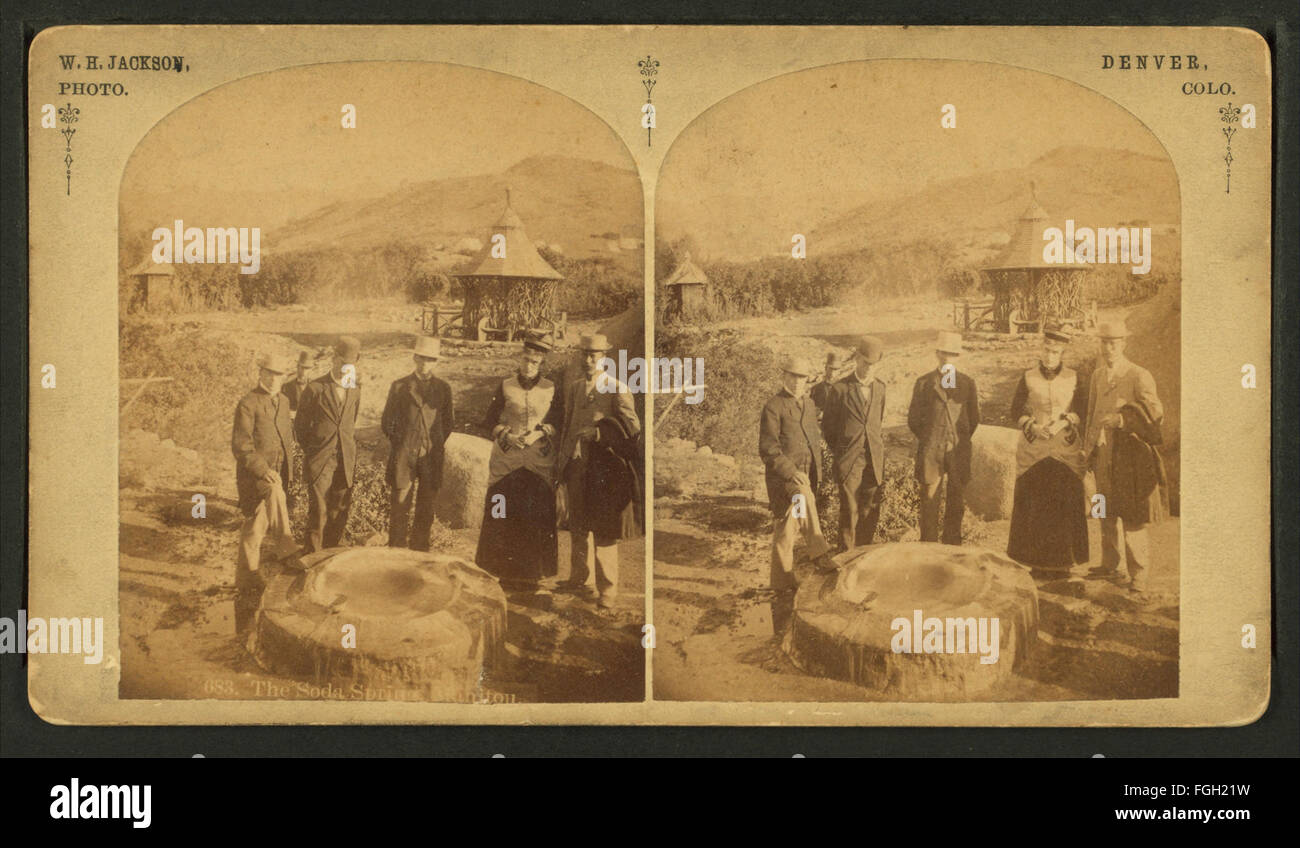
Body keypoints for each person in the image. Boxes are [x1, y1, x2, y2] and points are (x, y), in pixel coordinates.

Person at [544, 333, 641, 609]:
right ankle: (579, 580)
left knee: (603, 530)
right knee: (577, 525)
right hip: (576, 467)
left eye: (594, 355)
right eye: (584, 355)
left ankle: (607, 590)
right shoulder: (574, 388)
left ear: (604, 358)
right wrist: (561, 464)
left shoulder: (616, 388)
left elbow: (633, 428)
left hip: (604, 472)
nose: (588, 360)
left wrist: (599, 433)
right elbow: (568, 427)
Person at [1082, 319, 1168, 597]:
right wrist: (1087, 449)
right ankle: (1110, 564)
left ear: (1124, 344)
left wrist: (1122, 419)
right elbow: (1092, 415)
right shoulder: (1097, 376)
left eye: (1114, 343)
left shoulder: (1138, 375)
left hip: (1129, 459)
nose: (1108, 348)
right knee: (1104, 511)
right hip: (1102, 455)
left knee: (1133, 518)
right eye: (1104, 343)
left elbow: (1156, 414)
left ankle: (1139, 575)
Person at [475, 336, 559, 587]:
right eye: (526, 358)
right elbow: (488, 421)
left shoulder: (551, 388)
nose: (529, 364)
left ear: (541, 362)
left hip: (537, 461)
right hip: (508, 461)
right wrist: (507, 434)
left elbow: (559, 419)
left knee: (534, 514)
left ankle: (532, 574)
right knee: (502, 511)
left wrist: (540, 432)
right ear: (519, 358)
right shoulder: (504, 386)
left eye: (535, 360)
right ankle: (501, 570)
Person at [1006, 326, 1090, 572]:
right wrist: (1032, 424)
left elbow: (1083, 409)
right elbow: (1015, 410)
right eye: (1047, 349)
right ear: (1041, 349)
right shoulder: (1028, 376)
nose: (1050, 354)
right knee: (1037, 502)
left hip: (1064, 447)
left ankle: (1064, 562)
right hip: (1036, 448)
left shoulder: (1074, 377)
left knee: (1064, 501)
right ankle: (1036, 562)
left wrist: (1065, 421)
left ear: (1062, 352)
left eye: (1055, 351)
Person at [230, 352, 299, 633]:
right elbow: (241, 446)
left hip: (278, 474)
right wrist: (262, 470)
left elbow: (285, 439)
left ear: (284, 379)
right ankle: (286, 546)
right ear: (260, 374)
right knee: (273, 494)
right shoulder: (248, 403)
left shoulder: (283, 402)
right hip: (254, 476)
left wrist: (288, 469)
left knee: (255, 524)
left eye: (279, 375)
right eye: (269, 373)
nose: (273, 379)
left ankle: (247, 575)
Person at [760, 355, 834, 593]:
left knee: (786, 528)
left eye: (802, 378)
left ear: (807, 381)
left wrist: (817, 471)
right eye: (793, 376)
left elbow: (813, 440)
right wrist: (791, 472)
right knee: (801, 496)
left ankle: (782, 584)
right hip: (783, 478)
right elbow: (768, 450)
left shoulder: (809, 404)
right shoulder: (774, 406)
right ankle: (819, 552)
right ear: (784, 376)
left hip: (806, 474)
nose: (797, 382)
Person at [812, 336, 887, 551]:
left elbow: (876, 422)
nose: (867, 368)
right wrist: (844, 451)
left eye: (872, 365)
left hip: (874, 456)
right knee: (849, 508)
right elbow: (828, 427)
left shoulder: (881, 388)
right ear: (857, 360)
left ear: (878, 364)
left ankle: (863, 554)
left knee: (870, 508)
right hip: (849, 458)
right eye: (864, 362)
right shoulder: (840, 389)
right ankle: (846, 556)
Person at [381, 336, 455, 551]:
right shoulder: (399, 386)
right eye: (422, 359)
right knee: (400, 506)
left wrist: (433, 443)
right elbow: (387, 422)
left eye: (431, 360)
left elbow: (448, 423)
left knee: (426, 508)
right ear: (415, 358)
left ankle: (420, 554)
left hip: (431, 457)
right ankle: (396, 553)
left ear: (436, 362)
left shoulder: (443, 388)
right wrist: (403, 442)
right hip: (404, 456)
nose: (425, 364)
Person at [907, 331, 980, 545]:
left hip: (958, 451)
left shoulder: (967, 384)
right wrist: (931, 437)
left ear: (958, 357)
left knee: (956, 503)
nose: (948, 358)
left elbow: (974, 419)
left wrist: (957, 439)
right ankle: (928, 550)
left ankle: (952, 550)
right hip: (931, 452)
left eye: (953, 354)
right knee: (929, 502)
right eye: (945, 353)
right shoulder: (923, 383)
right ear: (937, 354)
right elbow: (914, 419)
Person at [294, 336, 362, 553]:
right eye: (343, 363)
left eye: (351, 365)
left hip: (345, 458)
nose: (346, 369)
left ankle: (331, 555)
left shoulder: (355, 388)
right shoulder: (315, 388)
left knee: (339, 509)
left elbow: (351, 421)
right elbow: (301, 427)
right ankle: (313, 557)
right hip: (320, 458)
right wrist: (315, 450)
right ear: (334, 359)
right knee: (319, 510)